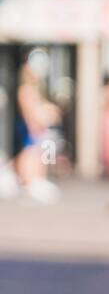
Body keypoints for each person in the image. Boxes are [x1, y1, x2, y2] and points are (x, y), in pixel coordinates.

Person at [15, 60, 61, 204]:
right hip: (35, 129)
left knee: (40, 155)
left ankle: (35, 180)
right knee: (32, 153)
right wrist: (44, 116)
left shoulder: (33, 90)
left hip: (40, 130)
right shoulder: (26, 91)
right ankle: (29, 181)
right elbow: (32, 112)